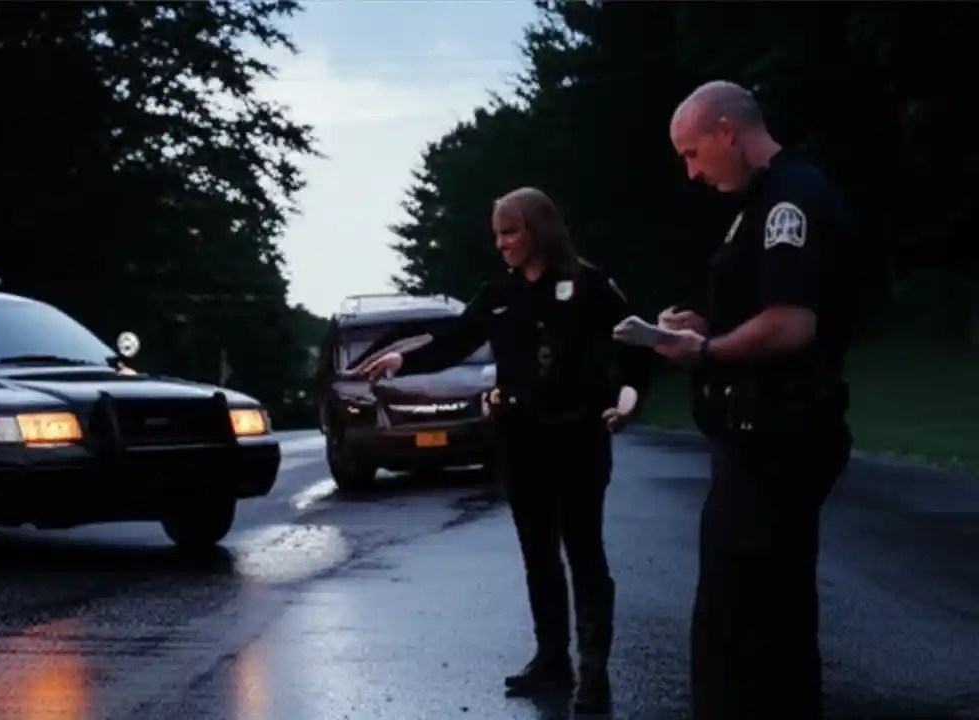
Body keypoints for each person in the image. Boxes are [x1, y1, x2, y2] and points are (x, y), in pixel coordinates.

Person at [352, 186, 652, 713]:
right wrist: (401, 362)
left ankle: (594, 671)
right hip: (520, 436)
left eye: (511, 232)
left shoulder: (589, 286)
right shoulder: (499, 293)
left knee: (583, 549)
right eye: (497, 234)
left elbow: (633, 348)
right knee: (537, 551)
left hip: (577, 434)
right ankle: (552, 660)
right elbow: (454, 341)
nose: (503, 244)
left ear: (539, 229)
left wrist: (627, 399)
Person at [654, 80, 857, 719]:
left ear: (726, 131)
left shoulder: (788, 202)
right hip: (761, 436)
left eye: (692, 152)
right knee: (767, 618)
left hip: (778, 438)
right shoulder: (762, 201)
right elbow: (762, 314)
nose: (691, 171)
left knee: (742, 626)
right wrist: (705, 330)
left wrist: (705, 353)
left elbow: (791, 324)